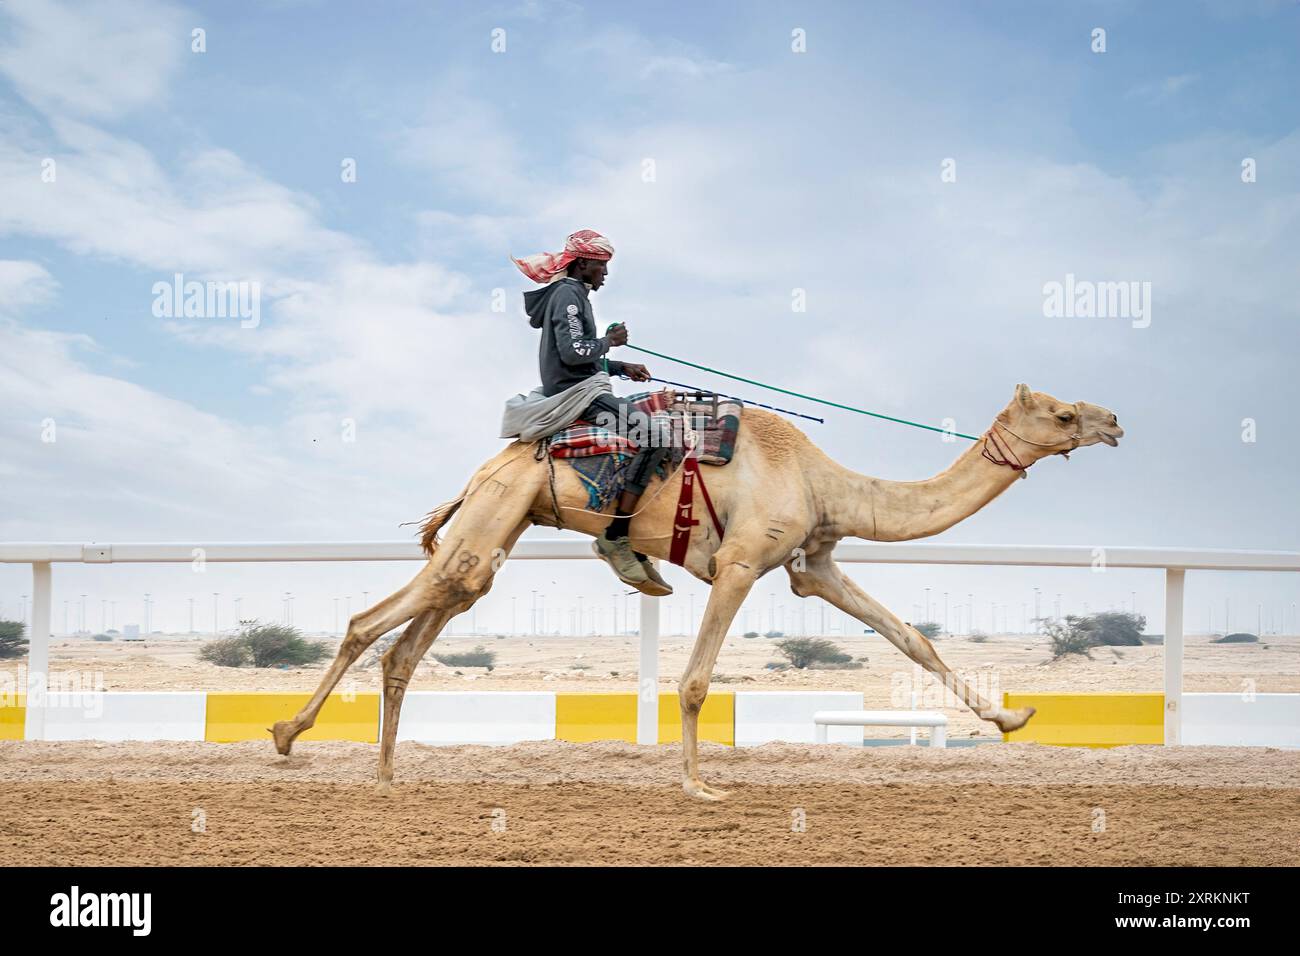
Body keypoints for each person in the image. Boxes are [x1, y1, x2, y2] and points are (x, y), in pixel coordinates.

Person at [513, 230, 673, 596]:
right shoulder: (569, 296)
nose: (605, 274)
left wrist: (618, 366)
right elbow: (573, 353)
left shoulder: (573, 294)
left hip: (581, 385)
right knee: (656, 437)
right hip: (579, 395)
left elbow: (579, 354)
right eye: (601, 266)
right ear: (583, 264)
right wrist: (610, 342)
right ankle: (616, 537)